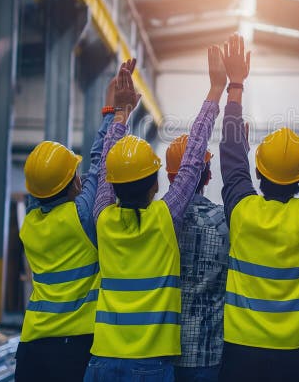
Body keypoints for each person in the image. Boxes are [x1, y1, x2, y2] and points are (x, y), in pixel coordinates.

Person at [84, 47, 226, 382]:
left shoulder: (103, 219)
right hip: (150, 364)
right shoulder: (164, 218)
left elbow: (105, 165)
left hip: (101, 361)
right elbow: (192, 162)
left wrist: (121, 112)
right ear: (155, 185)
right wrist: (216, 89)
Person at [217, 33, 299, 382]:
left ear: (258, 171)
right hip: (295, 358)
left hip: (240, 354)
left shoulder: (243, 213)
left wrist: (236, 85)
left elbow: (230, 156)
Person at [16, 61, 133, 382]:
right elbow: (101, 163)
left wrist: (113, 108)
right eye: (75, 176)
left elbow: (89, 168)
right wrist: (115, 110)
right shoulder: (81, 216)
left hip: (32, 345)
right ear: (73, 183)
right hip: (76, 344)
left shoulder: (29, 224)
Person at [166, 135, 229, 382]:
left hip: (163, 353)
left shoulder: (158, 223)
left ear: (172, 178)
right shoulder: (225, 223)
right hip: (209, 355)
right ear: (209, 176)